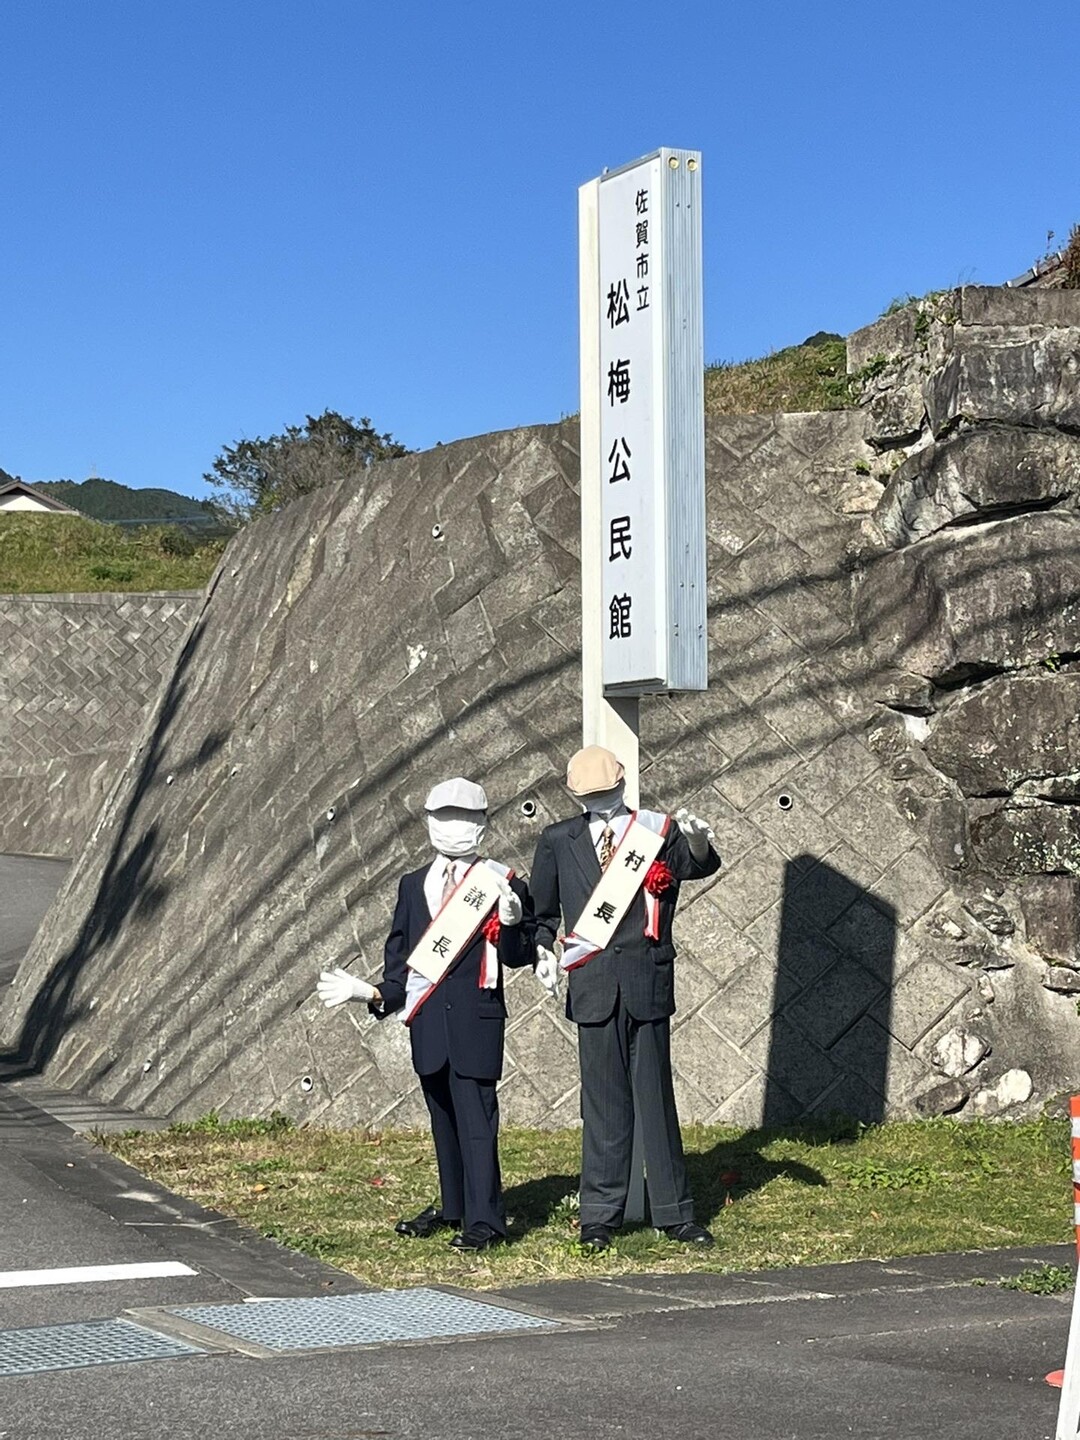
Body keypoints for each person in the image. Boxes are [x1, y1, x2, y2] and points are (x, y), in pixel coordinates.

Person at [316, 778, 552, 1251]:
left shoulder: (502, 881)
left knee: (477, 1122)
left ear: (483, 824)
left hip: (475, 1019)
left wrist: (510, 925)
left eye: (465, 818)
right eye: (443, 817)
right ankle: (454, 1207)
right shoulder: (412, 885)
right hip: (428, 1024)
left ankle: (486, 1220)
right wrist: (372, 992)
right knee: (442, 1119)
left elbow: (516, 954)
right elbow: (402, 958)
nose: (453, 828)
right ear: (427, 821)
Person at [530, 745, 721, 1252]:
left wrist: (699, 843)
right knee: (602, 1104)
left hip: (647, 978)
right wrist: (541, 952)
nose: (602, 801)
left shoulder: (655, 833)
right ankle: (599, 1215)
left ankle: (674, 1212)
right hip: (592, 982)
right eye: (590, 796)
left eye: (608, 791)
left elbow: (694, 866)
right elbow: (542, 914)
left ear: (624, 783)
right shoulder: (557, 840)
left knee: (656, 1098)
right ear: (575, 796)